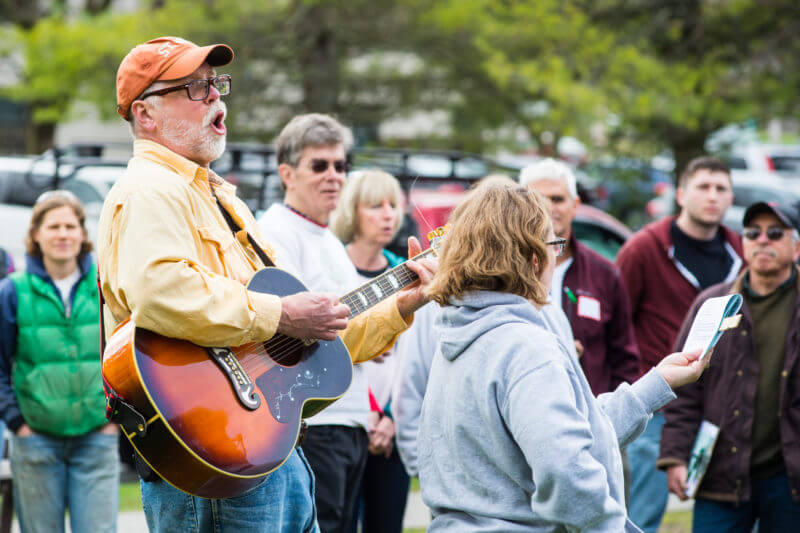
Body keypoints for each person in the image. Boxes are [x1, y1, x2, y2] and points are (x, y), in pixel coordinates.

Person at [101, 37, 434, 533]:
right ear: (146, 115)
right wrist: (281, 314)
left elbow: (312, 338)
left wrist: (401, 305)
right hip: (213, 460)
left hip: (267, 453)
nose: (216, 97)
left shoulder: (225, 201)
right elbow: (161, 293)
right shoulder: (150, 188)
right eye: (195, 88)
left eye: (215, 85)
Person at [416, 183, 706, 532]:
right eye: (554, 245)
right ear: (535, 258)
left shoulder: (457, 333)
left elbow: (573, 434)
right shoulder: (525, 348)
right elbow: (566, 470)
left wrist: (655, 384)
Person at [256, 115, 432, 533]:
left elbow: (347, 336)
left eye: (340, 165)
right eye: (320, 165)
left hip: (350, 418)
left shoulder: (330, 243)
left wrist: (397, 312)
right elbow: (288, 339)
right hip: (313, 424)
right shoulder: (275, 233)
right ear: (287, 173)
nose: (334, 175)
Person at [616, 156, 743, 532]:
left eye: (721, 189)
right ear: (681, 194)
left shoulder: (741, 252)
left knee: (728, 512)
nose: (712, 196)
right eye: (703, 187)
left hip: (722, 403)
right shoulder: (645, 248)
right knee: (642, 513)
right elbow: (618, 323)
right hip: (658, 401)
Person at [658, 201, 800, 532]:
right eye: (753, 233)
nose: (763, 240)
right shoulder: (715, 305)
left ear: (796, 248)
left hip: (790, 478)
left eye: (775, 233)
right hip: (721, 472)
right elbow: (685, 388)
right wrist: (676, 457)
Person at [0, 190, 119, 533]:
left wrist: (114, 421)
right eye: (53, 226)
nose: (63, 234)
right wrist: (17, 423)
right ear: (36, 233)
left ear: (83, 233)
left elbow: (130, 354)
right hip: (35, 441)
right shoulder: (12, 292)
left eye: (71, 226)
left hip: (97, 438)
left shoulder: (106, 286)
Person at [330, 169, 409, 533]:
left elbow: (413, 360)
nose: (388, 214)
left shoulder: (406, 275)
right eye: (375, 206)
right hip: (342, 423)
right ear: (352, 212)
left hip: (391, 432)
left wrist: (391, 416)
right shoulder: (331, 266)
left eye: (393, 205)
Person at [520, 158, 640, 395]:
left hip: (590, 416)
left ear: (575, 205)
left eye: (557, 199)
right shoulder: (504, 271)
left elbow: (625, 362)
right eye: (537, 198)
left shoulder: (604, 274)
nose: (548, 206)